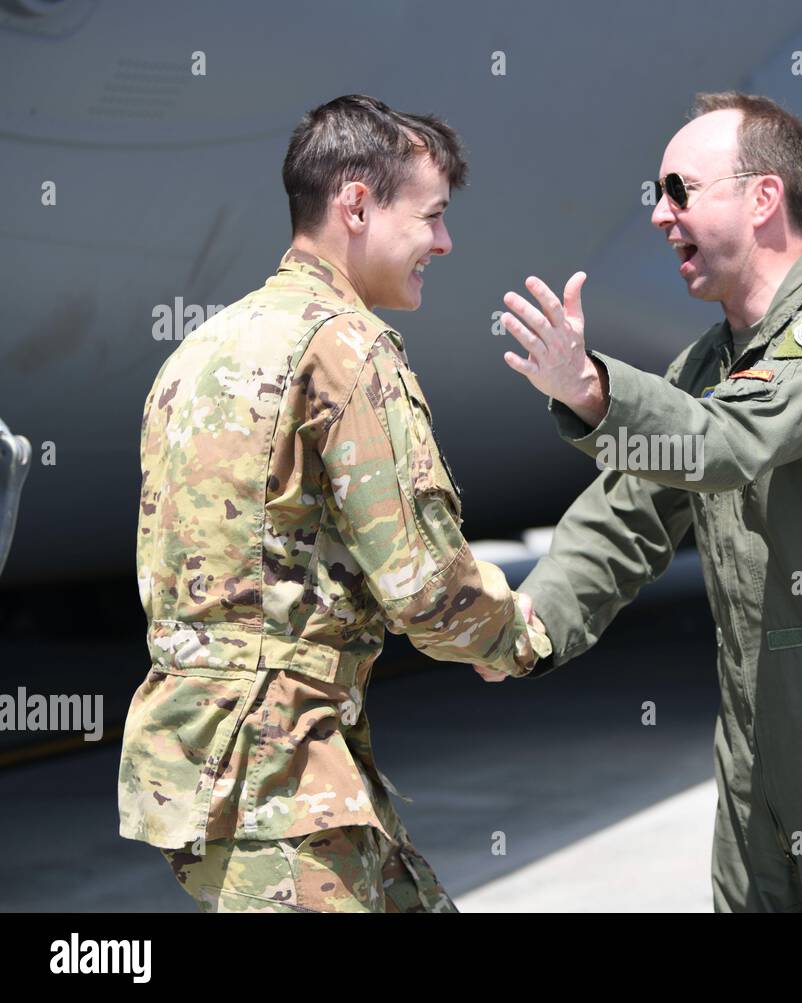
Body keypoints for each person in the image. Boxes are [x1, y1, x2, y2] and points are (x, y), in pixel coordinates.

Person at [490, 91, 802, 912]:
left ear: (764, 198)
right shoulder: (707, 368)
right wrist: (527, 625)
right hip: (757, 729)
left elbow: (727, 445)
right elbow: (627, 514)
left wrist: (592, 389)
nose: (660, 214)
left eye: (680, 190)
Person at [118, 94, 548, 913]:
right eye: (432, 216)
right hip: (280, 781)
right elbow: (427, 588)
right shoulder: (345, 349)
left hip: (209, 769)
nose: (445, 242)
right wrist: (519, 638)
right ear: (356, 204)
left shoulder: (197, 351)